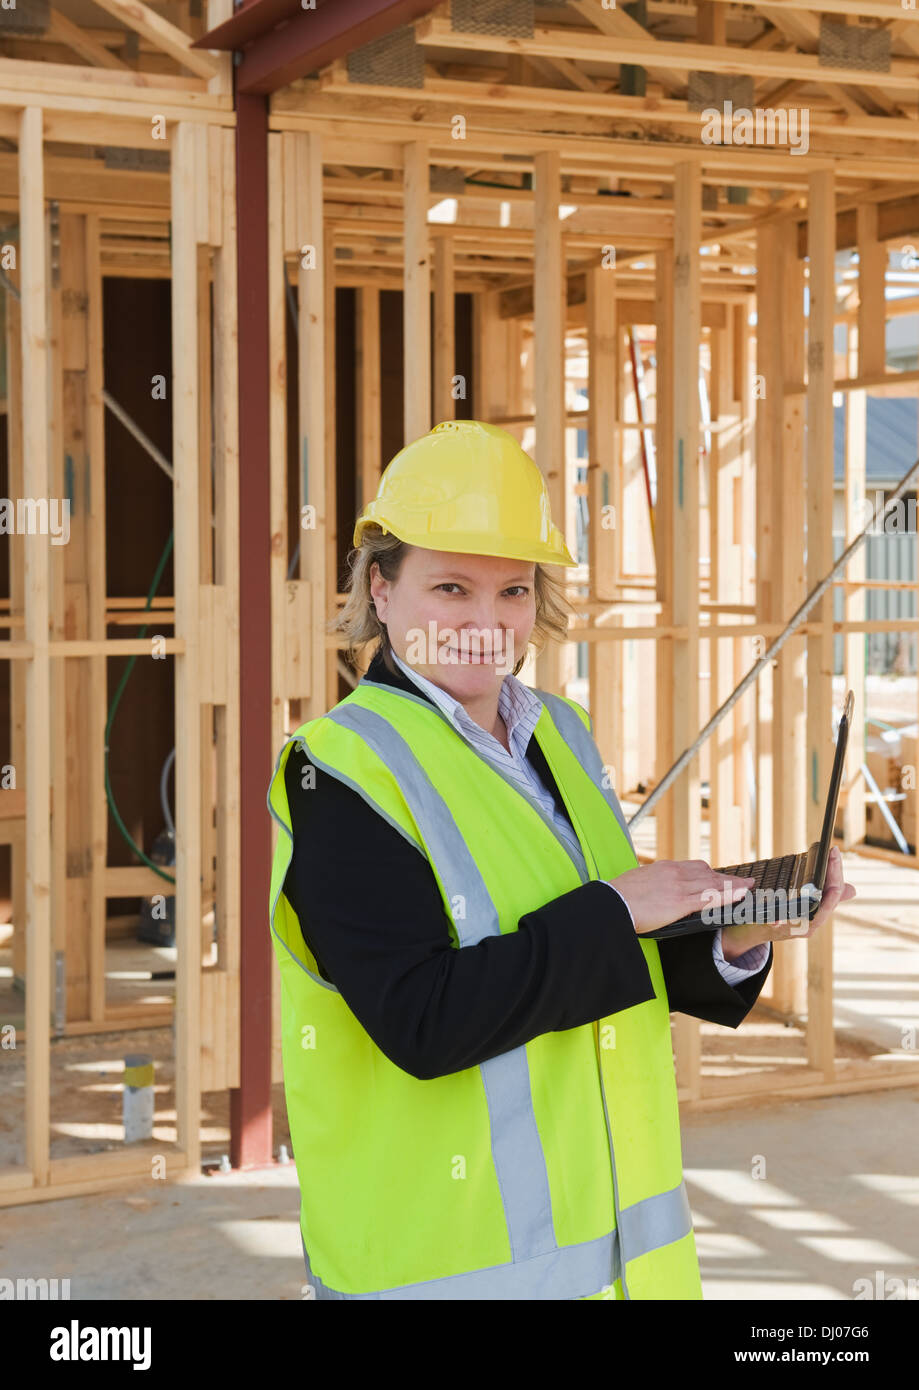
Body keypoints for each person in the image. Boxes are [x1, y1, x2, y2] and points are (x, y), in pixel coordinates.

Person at [266, 419, 856, 1301]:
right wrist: (619, 907)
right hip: (448, 1269)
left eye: (511, 591)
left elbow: (603, 956)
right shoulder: (339, 771)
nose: (485, 623)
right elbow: (422, 1021)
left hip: (615, 1256)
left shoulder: (559, 733)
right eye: (451, 587)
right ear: (380, 589)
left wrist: (731, 938)